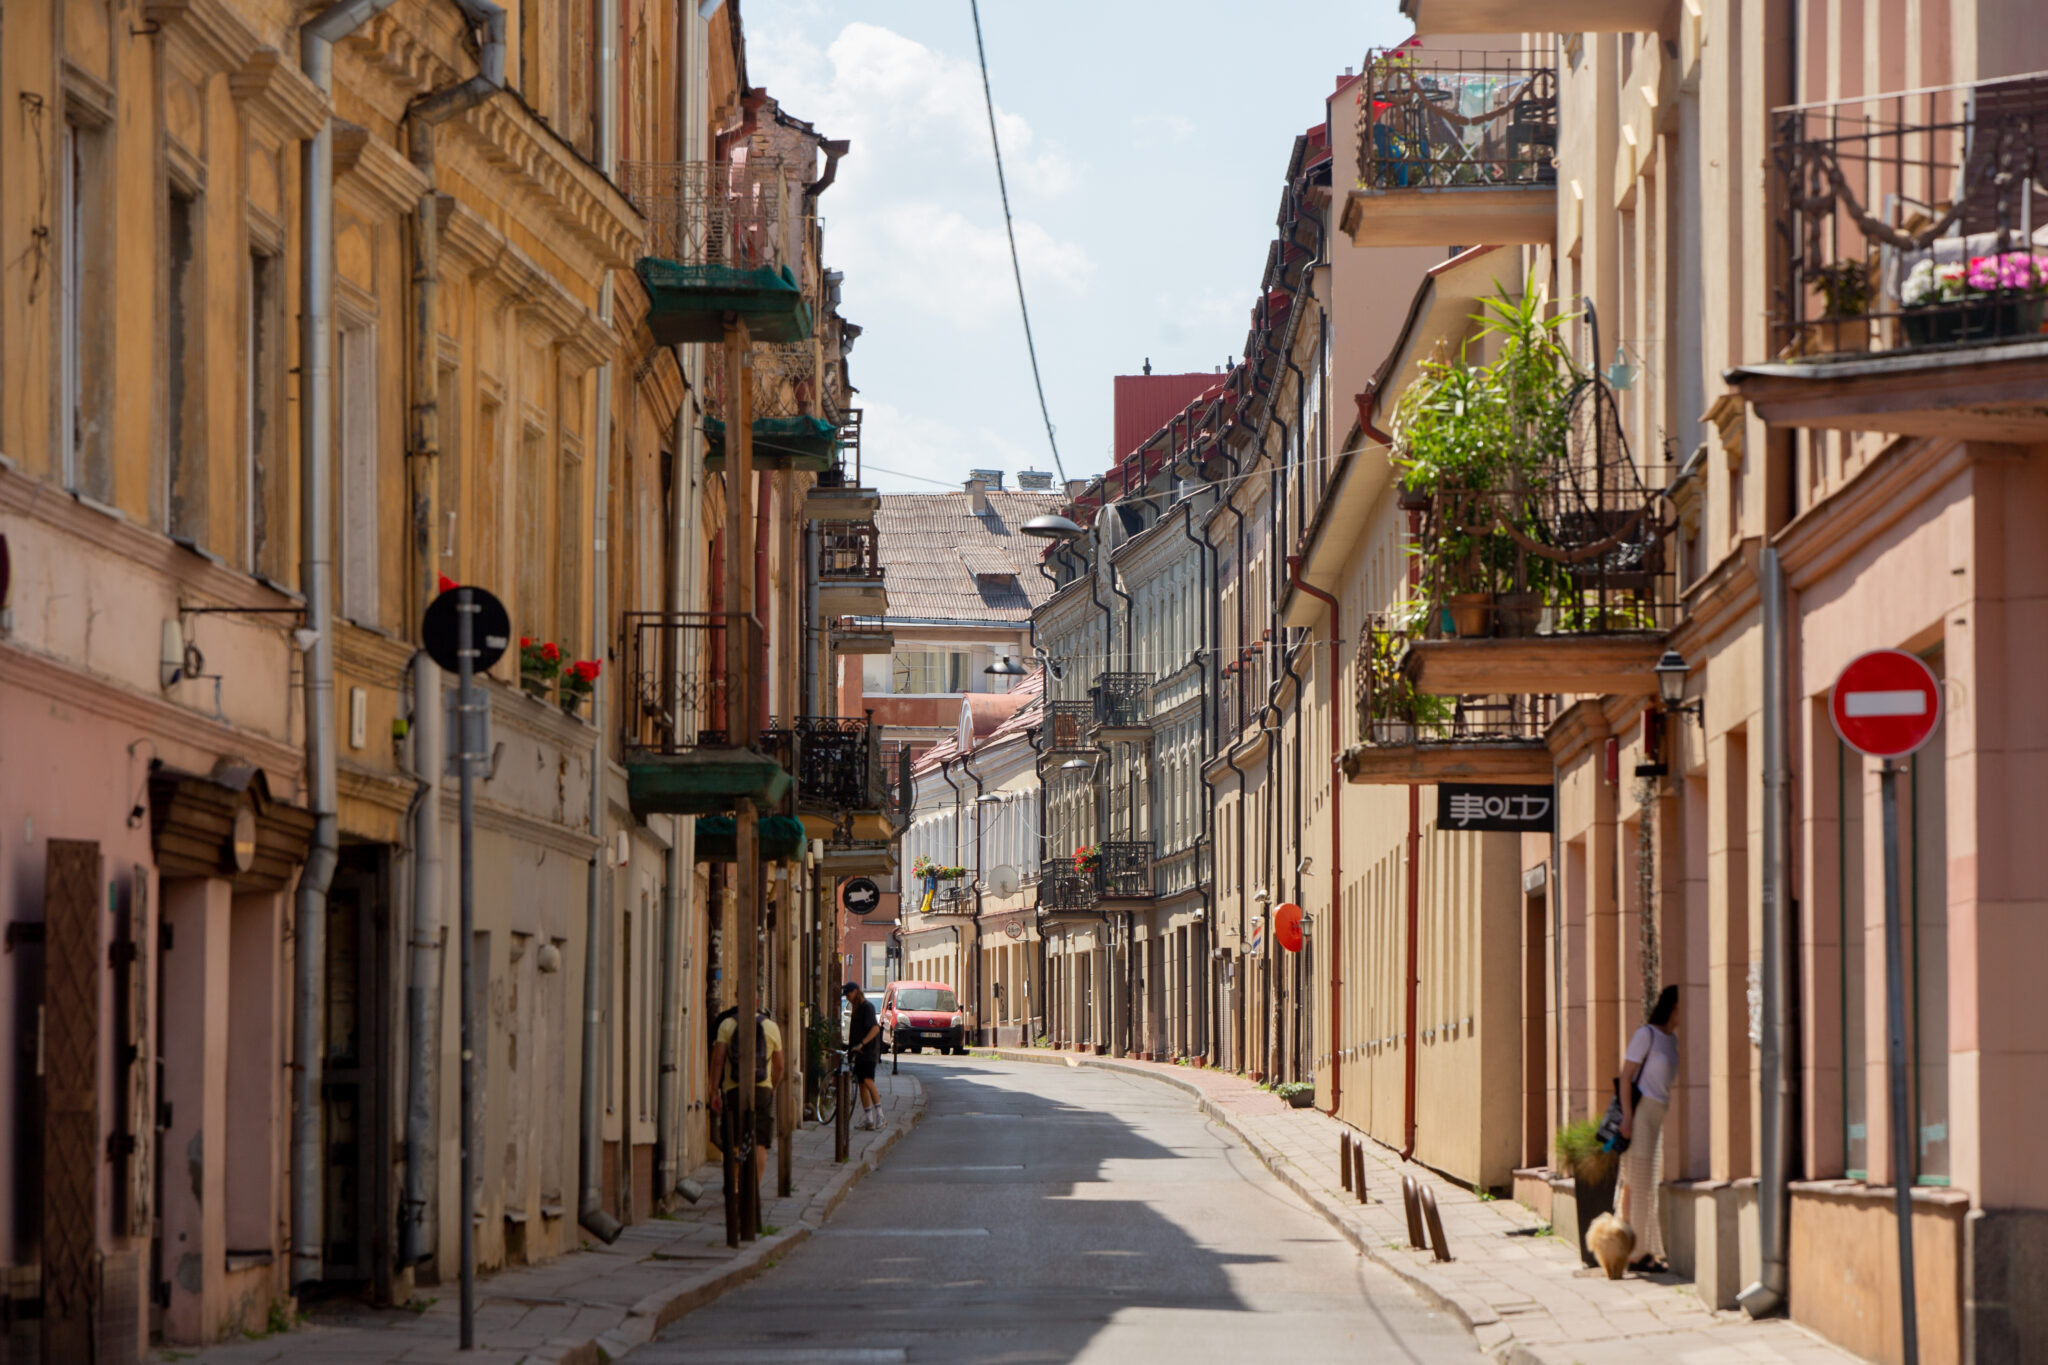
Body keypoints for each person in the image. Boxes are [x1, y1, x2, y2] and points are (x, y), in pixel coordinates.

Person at [1618, 985, 1680, 1274]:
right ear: (1674, 1006)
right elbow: (1626, 1076)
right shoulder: (1648, 1035)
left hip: (1658, 1115)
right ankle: (1638, 1254)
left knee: (1643, 1183)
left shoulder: (1672, 1040)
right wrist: (1628, 1118)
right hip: (1641, 1115)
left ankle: (1632, 1248)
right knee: (1640, 1185)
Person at [708, 1003, 784, 1189]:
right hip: (761, 1088)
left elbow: (717, 1061)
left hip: (733, 1088)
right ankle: (753, 1190)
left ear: (736, 997)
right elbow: (780, 1066)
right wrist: (772, 1086)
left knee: (734, 1138)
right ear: (758, 1003)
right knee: (759, 1142)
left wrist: (713, 1090)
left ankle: (734, 1186)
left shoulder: (727, 1024)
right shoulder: (771, 1027)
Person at [842, 981, 884, 1130]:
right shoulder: (856, 1008)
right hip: (858, 1053)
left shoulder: (867, 1007)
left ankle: (880, 1116)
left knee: (867, 1081)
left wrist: (862, 1044)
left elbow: (875, 1029)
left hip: (868, 1053)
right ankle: (869, 1119)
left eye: (848, 994)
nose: (847, 997)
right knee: (861, 1085)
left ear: (855, 992)